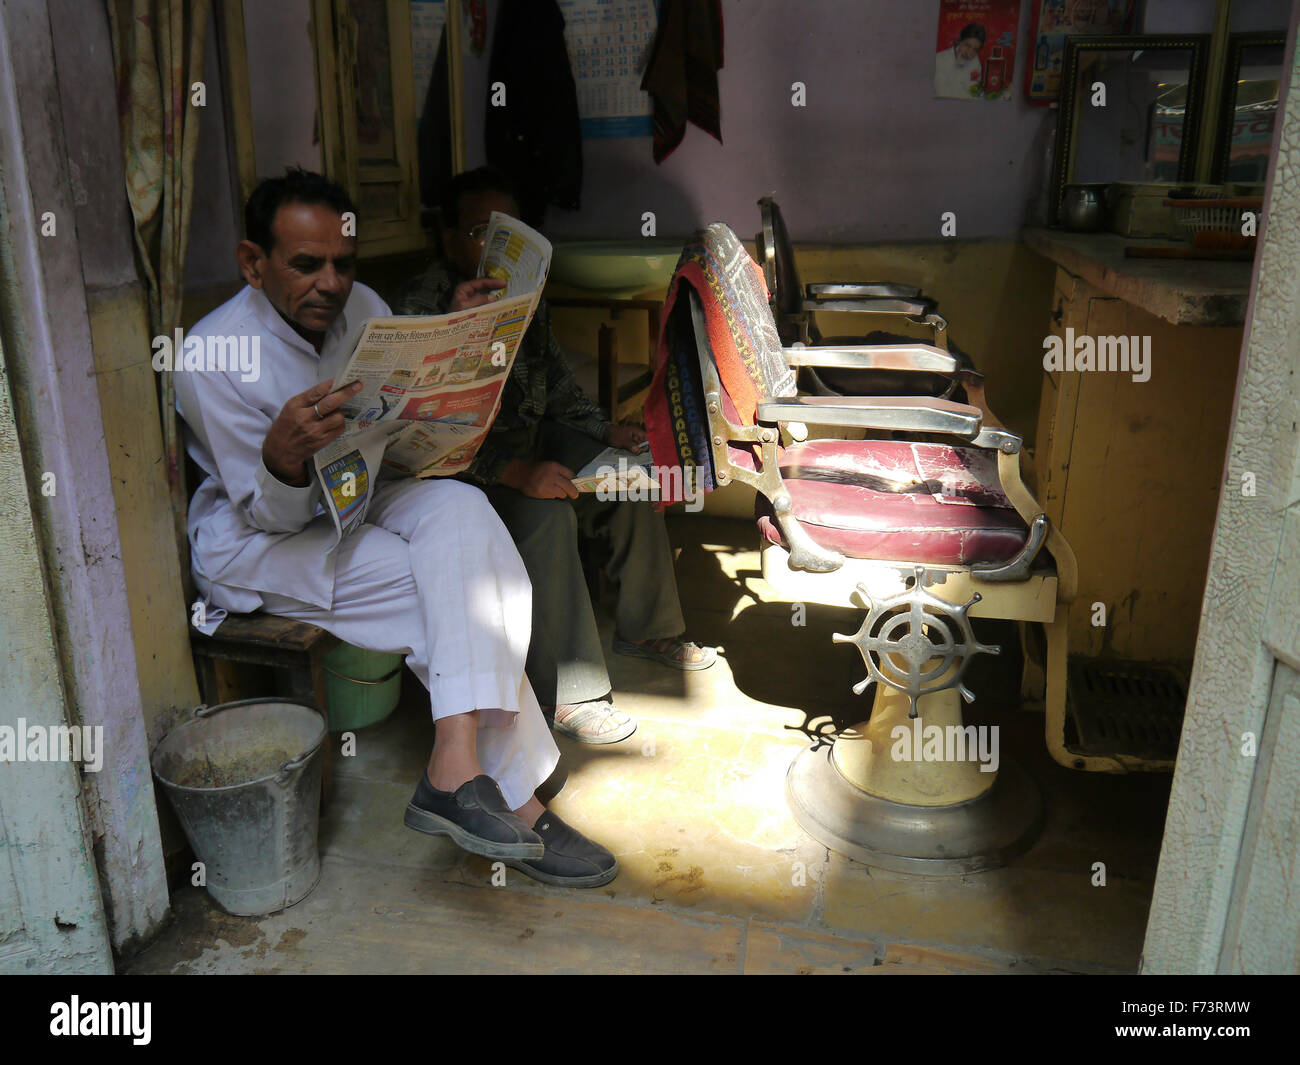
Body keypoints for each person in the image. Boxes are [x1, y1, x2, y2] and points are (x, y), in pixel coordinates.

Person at [175, 167, 616, 888]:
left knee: (466, 513)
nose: (330, 283)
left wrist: (459, 344)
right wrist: (284, 465)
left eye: (342, 264)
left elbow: (400, 426)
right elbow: (265, 513)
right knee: (455, 593)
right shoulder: (211, 358)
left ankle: (454, 762)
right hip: (258, 538)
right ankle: (523, 802)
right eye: (305, 264)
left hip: (361, 488)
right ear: (253, 264)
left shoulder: (365, 309)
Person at [398, 167, 716, 746]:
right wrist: (516, 473)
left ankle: (648, 629)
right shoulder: (423, 307)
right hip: (464, 471)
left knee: (629, 478)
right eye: (477, 232)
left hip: (531, 437)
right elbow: (425, 438)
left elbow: (556, 384)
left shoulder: (520, 290)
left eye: (509, 232)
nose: (495, 248)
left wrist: (605, 431)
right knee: (546, 518)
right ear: (446, 239)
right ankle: (571, 690)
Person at [935, 22, 986, 99]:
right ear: (959, 40)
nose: (969, 53)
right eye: (968, 45)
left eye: (975, 50)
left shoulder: (975, 60)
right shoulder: (940, 59)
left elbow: (974, 91)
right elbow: (942, 94)